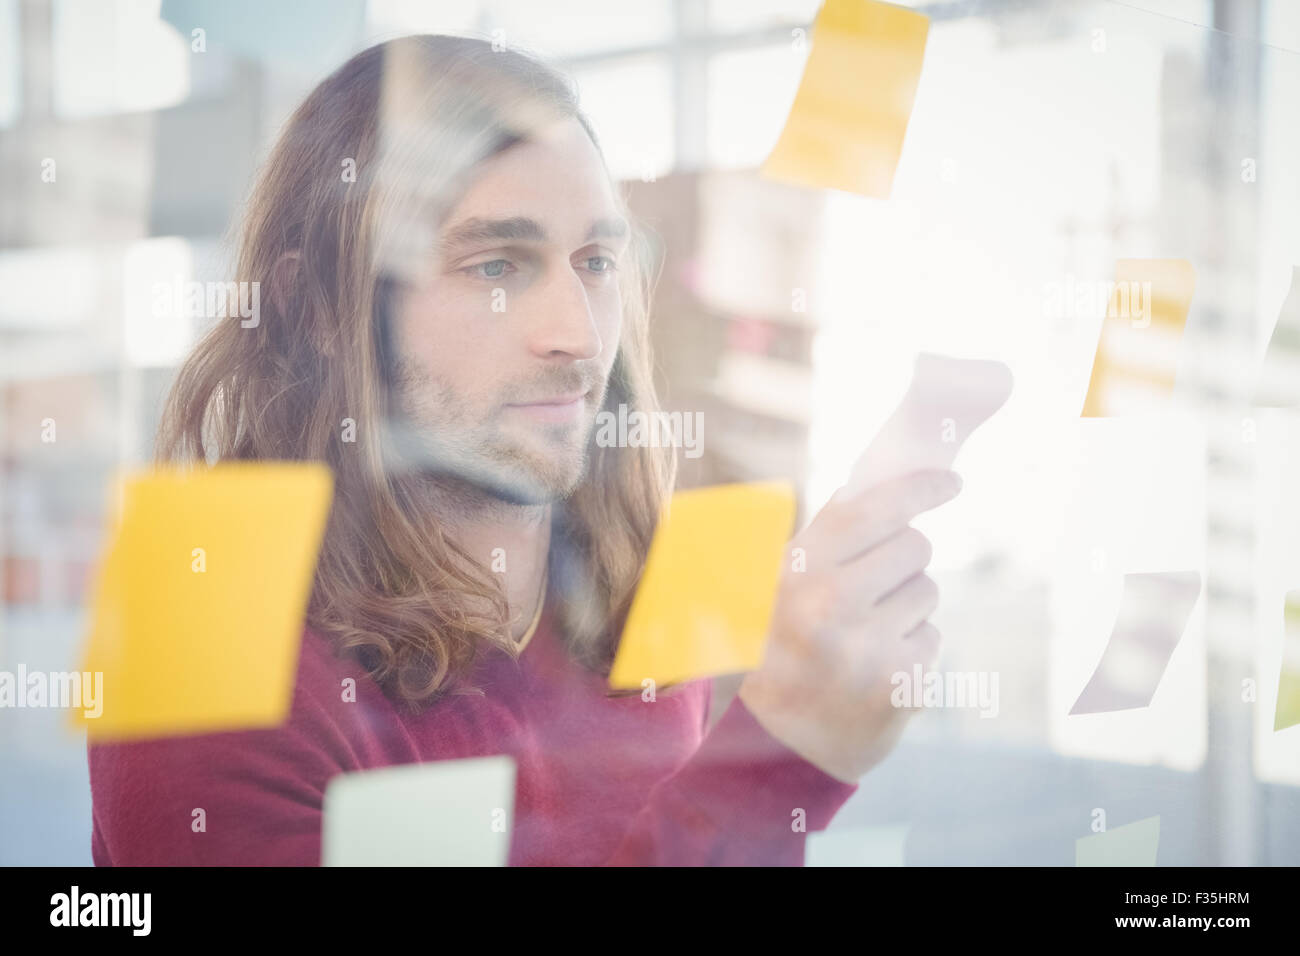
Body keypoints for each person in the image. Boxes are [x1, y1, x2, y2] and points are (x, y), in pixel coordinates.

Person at [88, 34, 957, 866]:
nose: (577, 337)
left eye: (596, 262)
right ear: (315, 306)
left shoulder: (637, 592)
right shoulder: (196, 643)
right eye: (496, 266)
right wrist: (785, 760)